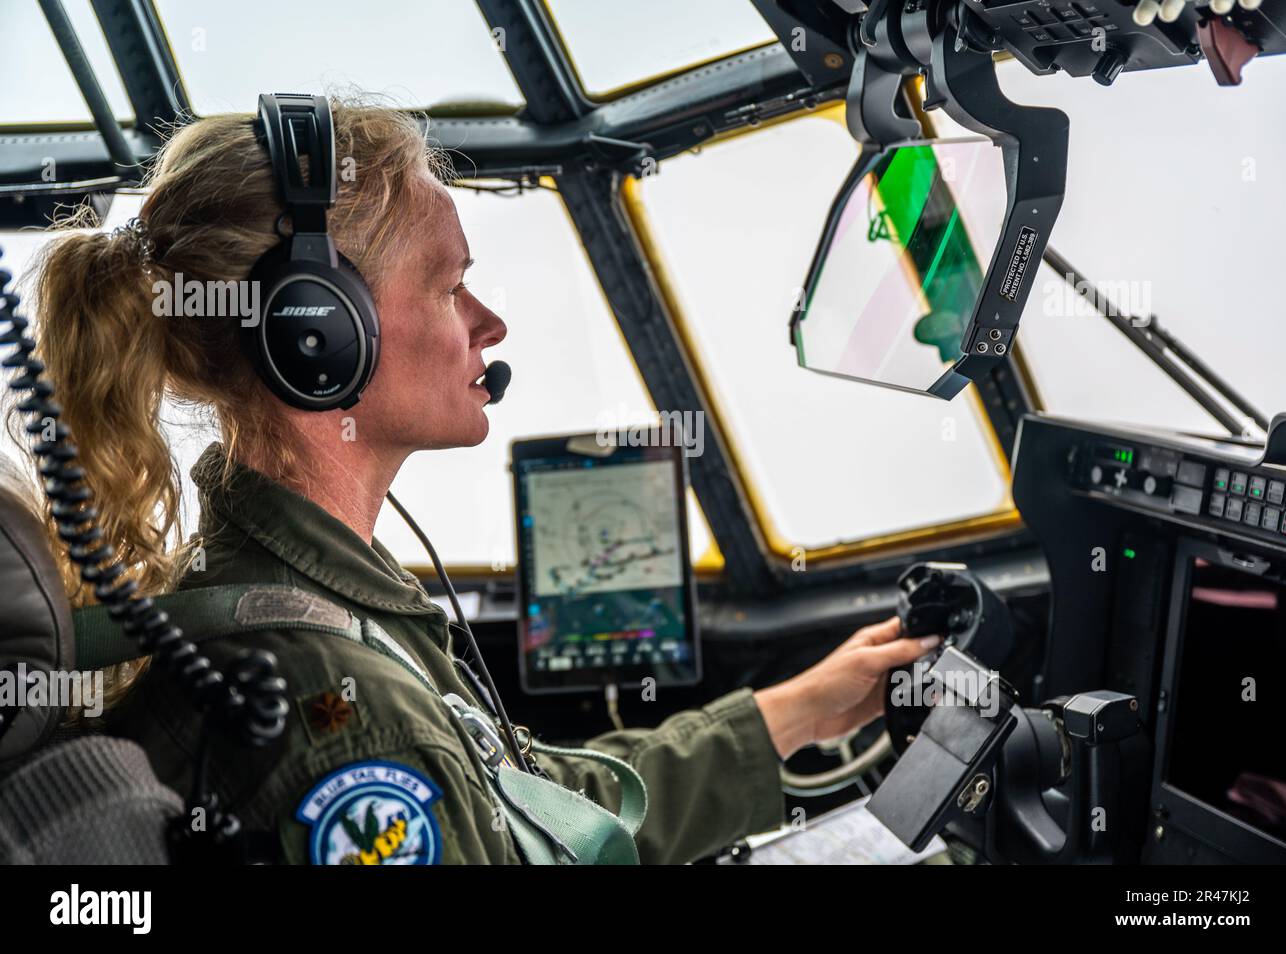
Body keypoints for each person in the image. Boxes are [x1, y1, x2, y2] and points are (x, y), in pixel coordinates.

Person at [25, 97, 939, 865]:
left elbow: (531, 807)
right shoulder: (348, 726)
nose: (488, 323)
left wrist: (795, 711)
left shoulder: (312, 603)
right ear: (317, 334)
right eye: (449, 285)